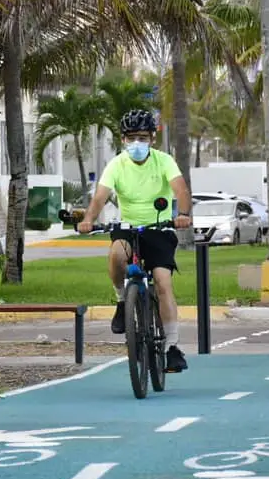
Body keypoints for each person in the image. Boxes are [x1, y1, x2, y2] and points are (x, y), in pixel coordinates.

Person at [77, 109, 193, 373]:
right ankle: (122, 301)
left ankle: (172, 347)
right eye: (131, 138)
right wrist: (88, 219)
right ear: (123, 139)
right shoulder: (116, 164)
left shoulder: (164, 161)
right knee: (117, 255)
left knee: (163, 282)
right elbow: (100, 197)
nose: (136, 143)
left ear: (152, 138)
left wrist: (183, 215)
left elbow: (181, 190)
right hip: (127, 228)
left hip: (159, 228)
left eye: (142, 137)